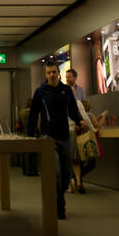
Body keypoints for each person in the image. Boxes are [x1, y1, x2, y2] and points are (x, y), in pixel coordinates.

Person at [26, 62, 86, 220]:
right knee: (57, 174)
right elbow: (33, 115)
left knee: (67, 174)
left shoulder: (66, 90)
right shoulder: (40, 92)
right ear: (45, 75)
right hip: (48, 137)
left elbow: (73, 110)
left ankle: (60, 197)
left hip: (64, 137)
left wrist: (79, 121)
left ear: (58, 74)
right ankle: (60, 207)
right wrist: (30, 136)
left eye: (53, 72)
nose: (51, 75)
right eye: (48, 73)